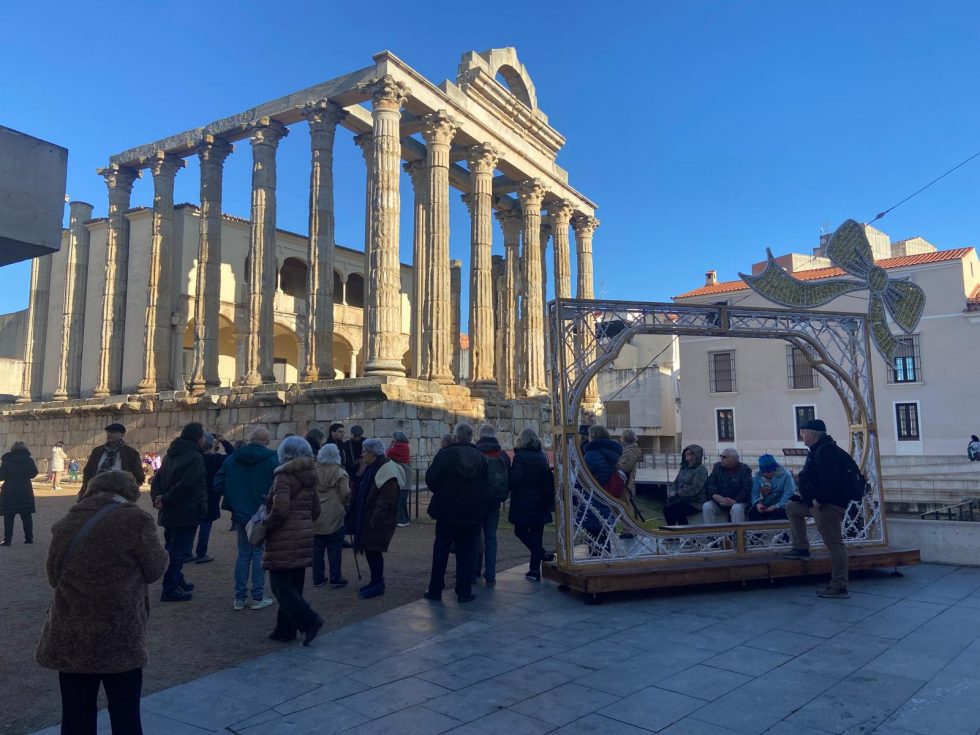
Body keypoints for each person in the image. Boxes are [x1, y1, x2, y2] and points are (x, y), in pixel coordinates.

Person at [36, 470, 168, 735]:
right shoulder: (136, 519)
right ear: (129, 492)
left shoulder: (67, 521)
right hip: (118, 629)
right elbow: (154, 570)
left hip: (71, 628)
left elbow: (53, 576)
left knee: (75, 714)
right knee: (125, 712)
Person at [783, 419, 852, 599]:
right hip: (816, 503)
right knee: (792, 508)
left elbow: (830, 480)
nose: (801, 436)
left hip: (827, 505)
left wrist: (817, 500)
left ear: (812, 434)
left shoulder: (826, 451)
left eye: (803, 432)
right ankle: (801, 547)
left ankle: (839, 585)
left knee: (835, 545)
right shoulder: (819, 450)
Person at [264, 436, 323, 645]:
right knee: (294, 586)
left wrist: (266, 523)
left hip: (284, 538)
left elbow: (280, 510)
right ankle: (285, 629)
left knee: (280, 586)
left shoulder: (283, 477)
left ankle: (310, 621)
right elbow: (316, 510)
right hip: (304, 536)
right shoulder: (310, 476)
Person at [215, 426, 278, 610]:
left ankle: (239, 598)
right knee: (259, 553)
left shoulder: (233, 458)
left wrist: (235, 498)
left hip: (240, 513)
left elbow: (218, 484)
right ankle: (258, 597)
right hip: (262, 512)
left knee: (243, 554)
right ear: (266, 441)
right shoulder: (273, 459)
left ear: (251, 439)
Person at [424, 423, 488, 603]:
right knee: (467, 551)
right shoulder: (480, 457)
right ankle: (464, 591)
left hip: (447, 509)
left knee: (441, 549)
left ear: (456, 436)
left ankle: (435, 589)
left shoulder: (445, 455)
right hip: (471, 510)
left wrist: (443, 491)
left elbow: (431, 479)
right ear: (470, 437)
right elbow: (485, 484)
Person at [150, 422, 208, 602]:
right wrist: (165, 498)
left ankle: (178, 580)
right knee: (179, 551)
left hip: (170, 510)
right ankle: (170, 588)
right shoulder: (195, 457)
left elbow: (156, 480)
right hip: (186, 510)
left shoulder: (169, 456)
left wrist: (158, 498)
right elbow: (187, 484)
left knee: (172, 547)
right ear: (199, 438)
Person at [347, 438, 401, 599]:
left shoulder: (386, 469)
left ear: (372, 453)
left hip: (377, 520)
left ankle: (378, 583)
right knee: (371, 551)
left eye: (365, 451)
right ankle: (375, 580)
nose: (362, 454)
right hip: (368, 517)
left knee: (374, 551)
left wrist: (375, 519)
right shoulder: (372, 467)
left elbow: (387, 499)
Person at [509, 428, 555, 581]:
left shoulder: (520, 457)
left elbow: (516, 479)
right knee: (537, 535)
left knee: (520, 531)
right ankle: (534, 570)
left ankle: (540, 555)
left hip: (523, 501)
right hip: (540, 501)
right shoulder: (542, 456)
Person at [474, 424, 511, 586]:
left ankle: (474, 571)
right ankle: (490, 574)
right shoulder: (501, 454)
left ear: (480, 436)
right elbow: (508, 478)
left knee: (475, 535)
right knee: (491, 537)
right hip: (494, 500)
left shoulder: (475, 452)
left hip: (477, 500)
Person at [579, 424, 622, 555]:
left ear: (594, 436)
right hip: (608, 496)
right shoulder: (613, 453)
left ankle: (597, 563)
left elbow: (582, 477)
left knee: (594, 538)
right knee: (604, 537)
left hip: (594, 498)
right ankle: (605, 562)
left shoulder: (591, 455)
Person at [312, 443, 351, 588]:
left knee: (317, 547)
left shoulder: (314, 470)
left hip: (316, 510)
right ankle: (335, 576)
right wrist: (343, 504)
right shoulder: (339, 471)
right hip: (334, 510)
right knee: (335, 546)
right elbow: (346, 492)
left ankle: (318, 577)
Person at [193, 433, 234, 564]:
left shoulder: (195, 457)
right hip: (211, 495)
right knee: (206, 524)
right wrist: (224, 442)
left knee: (192, 523)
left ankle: (187, 551)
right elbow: (233, 455)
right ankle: (201, 553)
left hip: (194, 494)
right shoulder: (216, 459)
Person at [80, 423, 145, 497]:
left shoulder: (130, 452)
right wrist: (88, 486)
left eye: (113, 432)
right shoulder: (98, 451)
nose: (109, 434)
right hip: (96, 491)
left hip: (120, 492)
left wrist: (129, 490)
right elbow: (88, 470)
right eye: (108, 432)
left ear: (122, 435)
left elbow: (139, 475)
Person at [0, 441, 38, 545]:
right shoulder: (29, 461)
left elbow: (1, 476)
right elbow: (34, 473)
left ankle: (7, 540)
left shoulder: (7, 461)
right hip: (25, 490)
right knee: (26, 516)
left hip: (9, 491)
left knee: (8, 517)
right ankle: (29, 538)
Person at [701, 449, 753, 524]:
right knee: (707, 506)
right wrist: (714, 495)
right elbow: (710, 483)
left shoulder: (744, 469)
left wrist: (735, 501)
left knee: (736, 508)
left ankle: (738, 534)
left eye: (724, 457)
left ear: (733, 459)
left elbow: (747, 488)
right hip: (720, 501)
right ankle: (710, 534)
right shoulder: (717, 466)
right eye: (720, 456)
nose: (721, 459)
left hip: (739, 501)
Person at [664, 444, 708, 525]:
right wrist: (672, 492)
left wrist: (679, 494)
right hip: (682, 499)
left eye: (689, 453)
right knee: (669, 508)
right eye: (686, 453)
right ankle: (675, 534)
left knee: (671, 510)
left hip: (695, 502)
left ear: (696, 455)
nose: (686, 454)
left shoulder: (701, 469)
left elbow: (696, 488)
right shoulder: (684, 468)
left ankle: (680, 534)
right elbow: (676, 482)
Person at [748, 453, 795, 521]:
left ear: (774, 469)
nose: (766, 473)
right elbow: (755, 493)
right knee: (753, 513)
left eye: (769, 471)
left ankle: (781, 531)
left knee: (780, 514)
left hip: (781, 503)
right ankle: (757, 531)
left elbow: (789, 493)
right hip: (765, 504)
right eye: (763, 471)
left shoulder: (785, 475)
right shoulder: (757, 476)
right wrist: (758, 504)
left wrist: (777, 505)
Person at [387, 430, 412, 528]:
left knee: (401, 499)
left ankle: (402, 519)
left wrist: (391, 445)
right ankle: (404, 518)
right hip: (403, 473)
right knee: (402, 498)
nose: (392, 440)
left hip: (403, 474)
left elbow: (388, 453)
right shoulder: (405, 445)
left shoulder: (400, 446)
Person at [617, 429, 642, 499]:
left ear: (626, 438)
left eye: (621, 436)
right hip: (625, 483)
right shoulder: (627, 449)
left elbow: (624, 469)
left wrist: (614, 465)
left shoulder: (629, 452)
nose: (620, 438)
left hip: (625, 485)